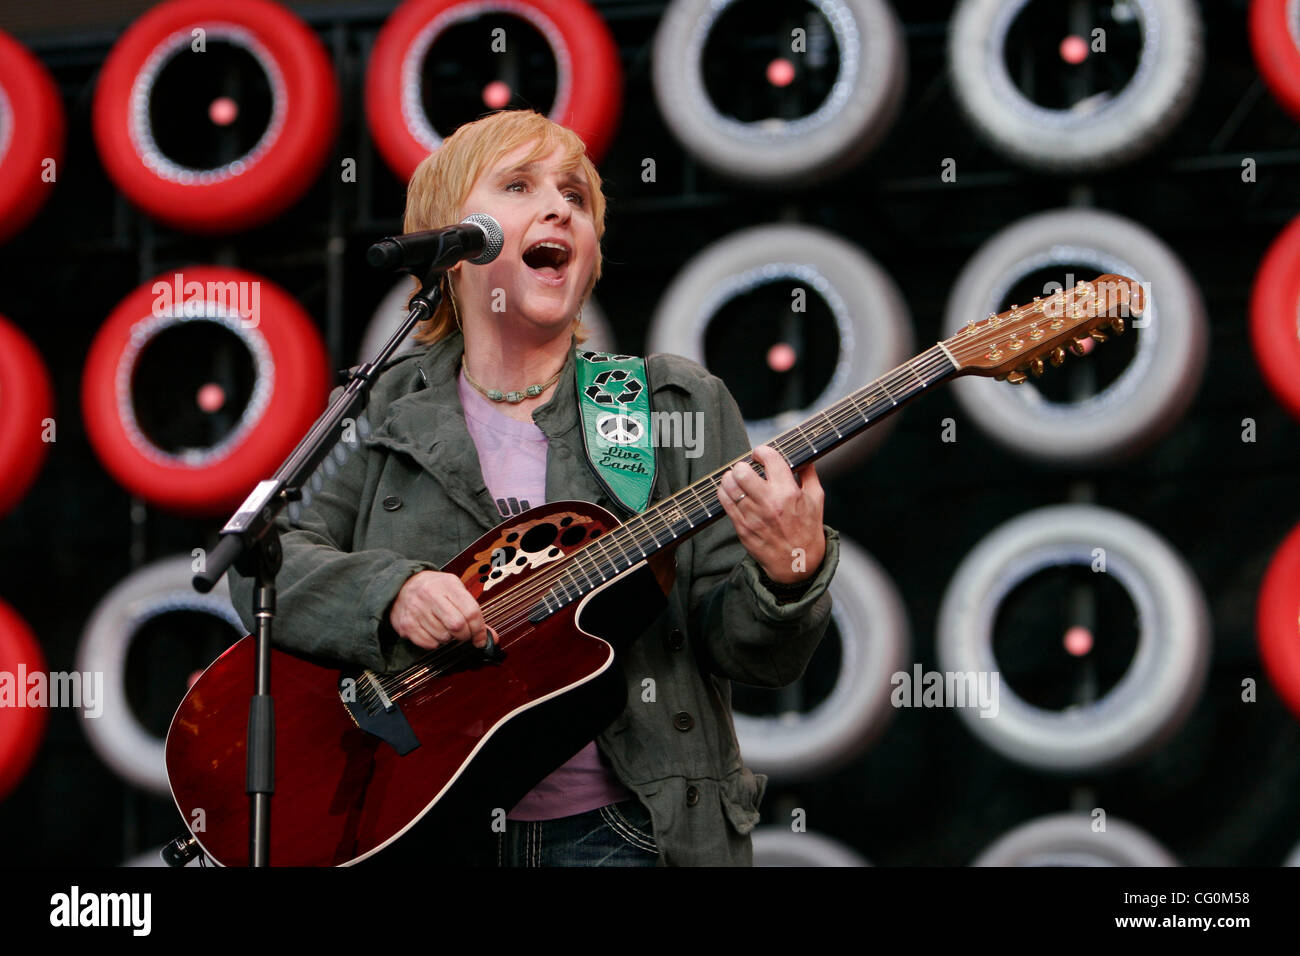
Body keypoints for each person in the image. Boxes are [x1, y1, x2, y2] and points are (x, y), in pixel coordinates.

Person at [227, 108, 841, 866]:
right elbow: (267, 561)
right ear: (454, 247)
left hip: (626, 831)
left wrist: (790, 572)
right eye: (519, 185)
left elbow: (750, 654)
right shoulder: (383, 407)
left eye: (576, 198)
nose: (558, 207)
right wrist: (391, 593)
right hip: (419, 828)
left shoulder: (665, 404)